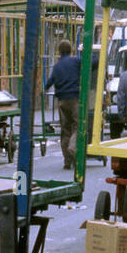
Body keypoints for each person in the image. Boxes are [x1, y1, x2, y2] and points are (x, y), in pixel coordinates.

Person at [44, 39, 81, 170]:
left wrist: (45, 89)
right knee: (77, 126)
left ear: (59, 51)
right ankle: (73, 147)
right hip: (74, 98)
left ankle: (67, 161)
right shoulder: (76, 61)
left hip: (62, 101)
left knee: (65, 130)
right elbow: (93, 62)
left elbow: (50, 81)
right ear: (71, 50)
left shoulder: (57, 66)